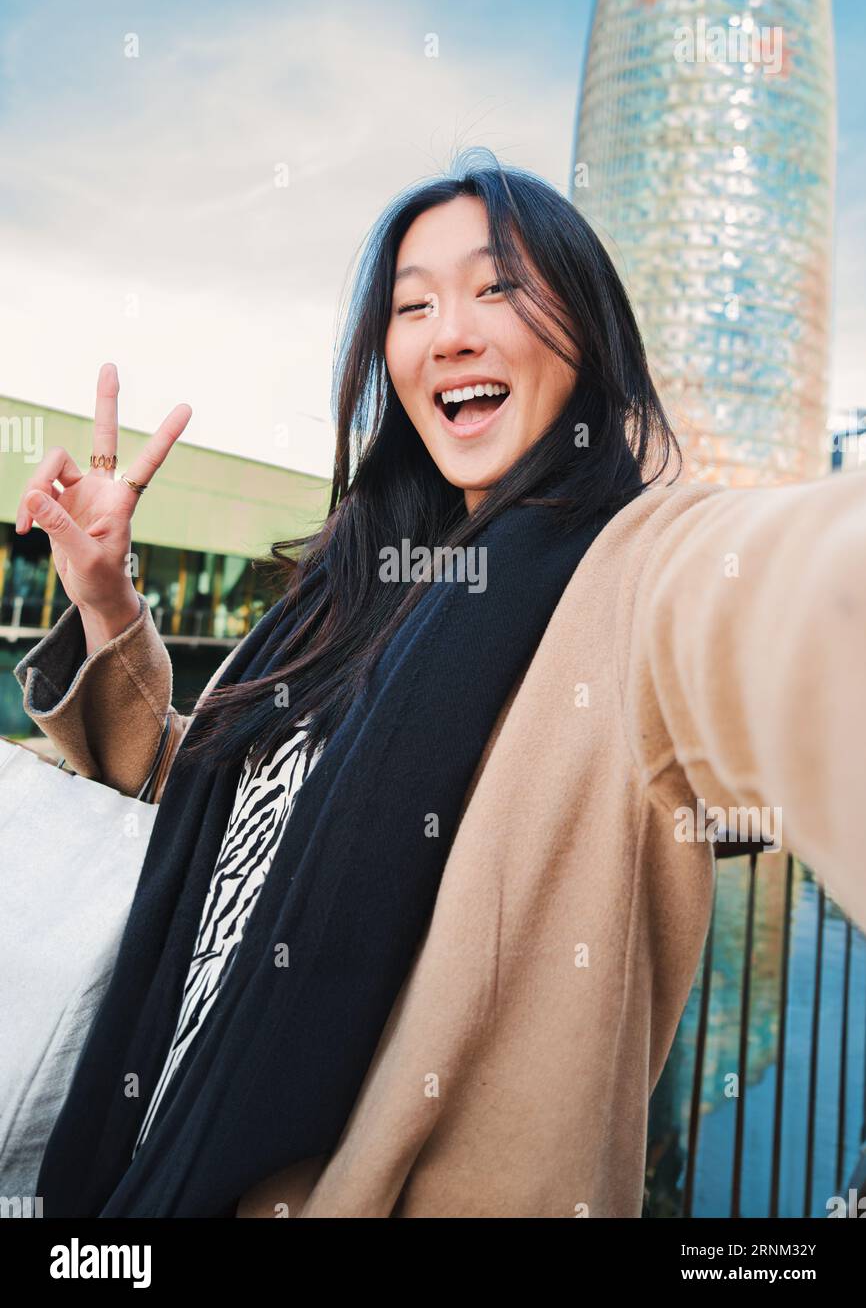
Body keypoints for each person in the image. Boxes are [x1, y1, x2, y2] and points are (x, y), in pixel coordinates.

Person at [14, 151, 866, 1218]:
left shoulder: (639, 569)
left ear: (589, 330)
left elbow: (792, 605)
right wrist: (106, 601)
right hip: (139, 1174)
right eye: (410, 305)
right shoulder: (346, 586)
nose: (448, 330)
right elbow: (233, 813)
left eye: (497, 287)